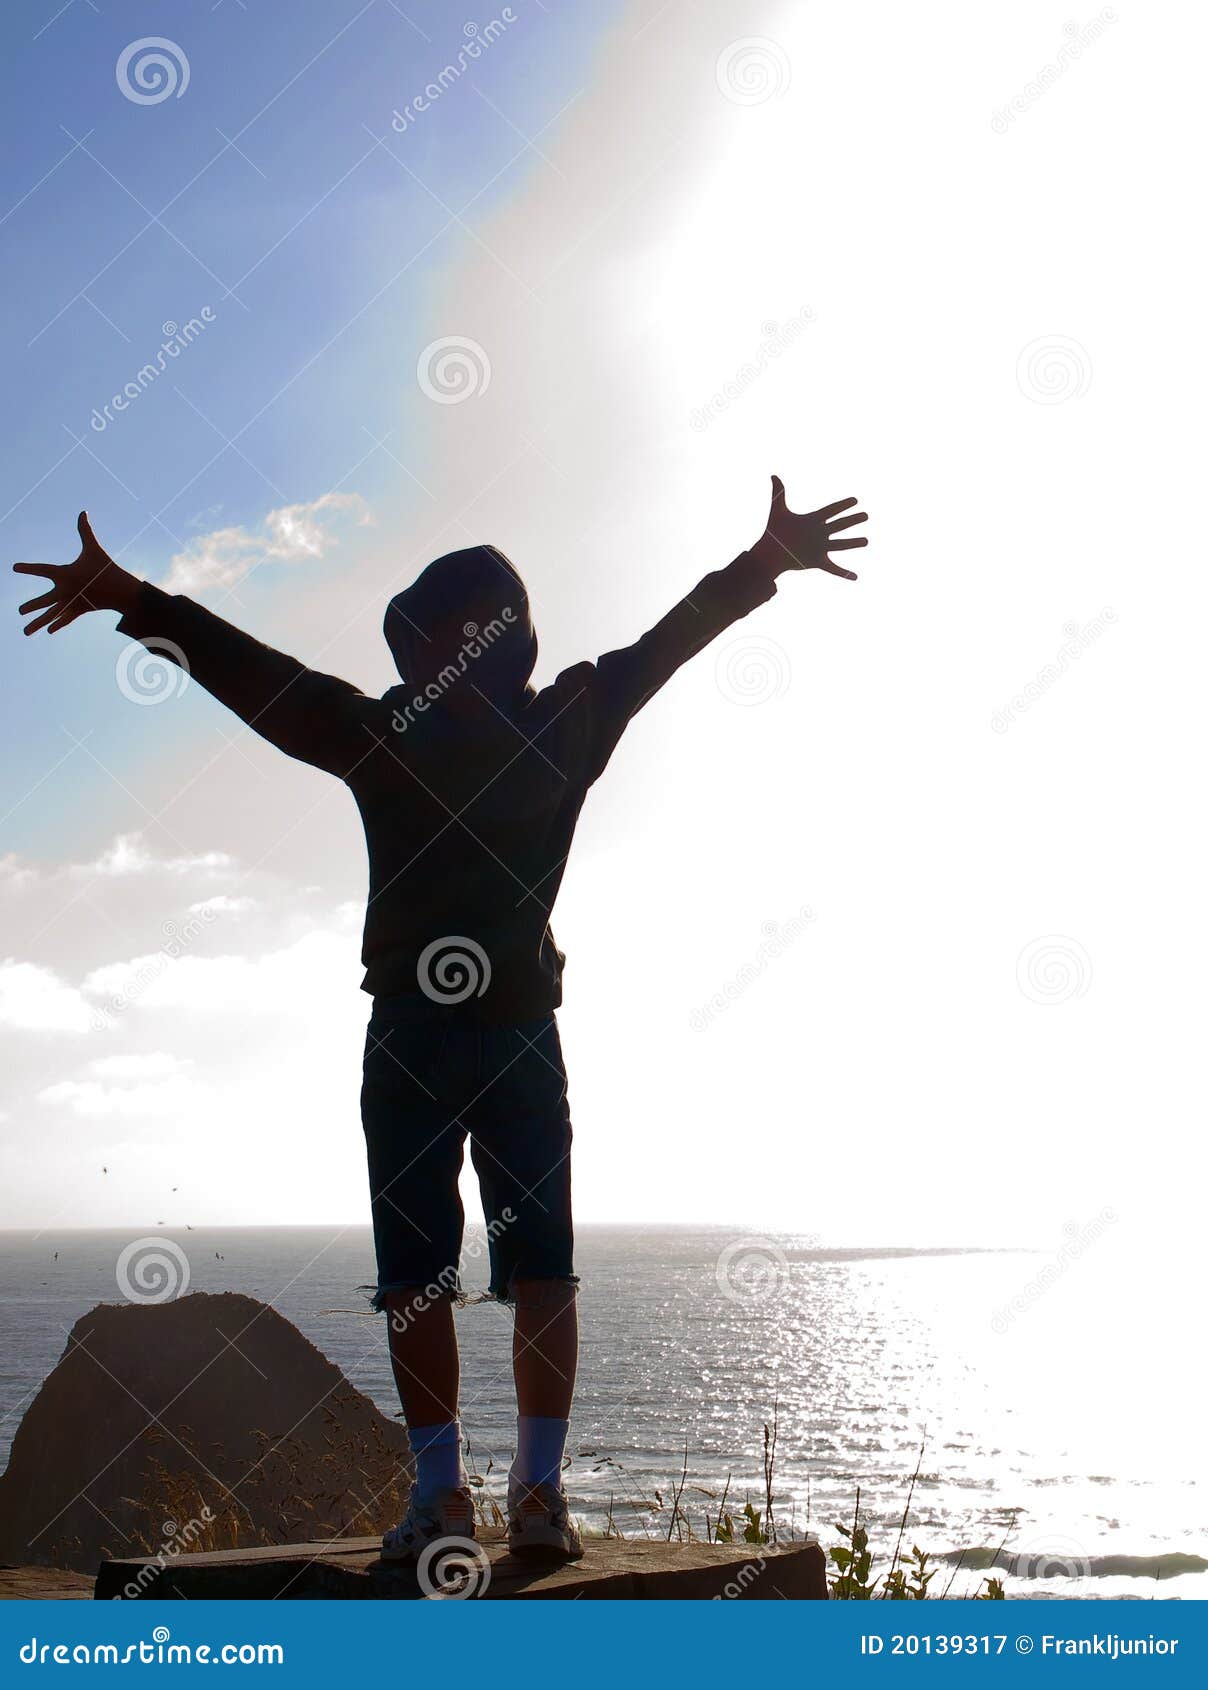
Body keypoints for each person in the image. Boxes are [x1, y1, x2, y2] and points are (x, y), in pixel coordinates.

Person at [14, 476, 868, 1561]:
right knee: (535, 1265)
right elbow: (666, 644)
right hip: (516, 1033)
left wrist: (135, 598)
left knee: (424, 1270)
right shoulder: (566, 719)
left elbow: (263, 682)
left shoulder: (391, 736)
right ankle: (534, 1499)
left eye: (416, 640)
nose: (405, 662)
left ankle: (446, 1497)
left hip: (414, 1038)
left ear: (471, 638)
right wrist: (760, 566)